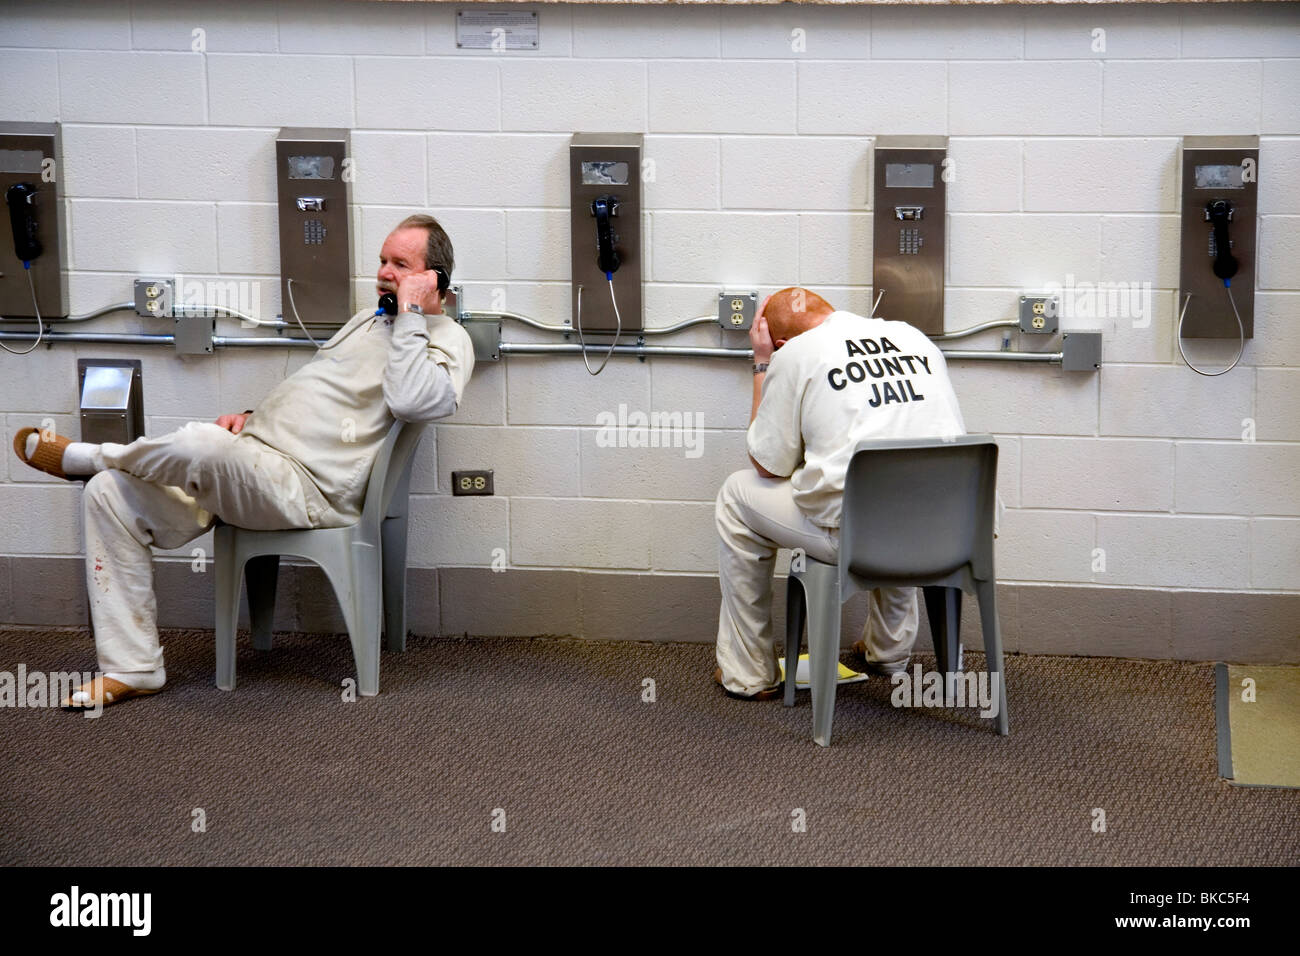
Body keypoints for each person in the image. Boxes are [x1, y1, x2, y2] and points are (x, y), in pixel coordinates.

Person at [13, 214, 475, 709]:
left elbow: (411, 400)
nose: (383, 272)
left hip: (308, 492)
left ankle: (92, 457)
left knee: (198, 444)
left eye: (400, 264)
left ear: (436, 279)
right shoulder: (367, 321)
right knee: (110, 496)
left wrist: (411, 316)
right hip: (256, 466)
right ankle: (133, 667)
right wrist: (254, 418)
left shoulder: (448, 340)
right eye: (382, 260)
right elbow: (322, 398)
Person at [714, 287, 968, 700]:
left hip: (857, 534)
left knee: (734, 497)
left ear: (780, 344)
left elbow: (766, 463)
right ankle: (889, 650)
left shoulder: (794, 354)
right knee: (899, 483)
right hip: (951, 530)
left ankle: (748, 673)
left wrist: (763, 364)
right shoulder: (912, 336)